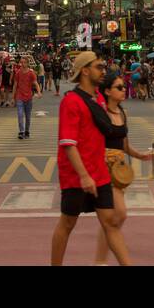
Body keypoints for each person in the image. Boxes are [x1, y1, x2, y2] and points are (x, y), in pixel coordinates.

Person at [51, 52, 130, 266]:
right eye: (98, 66)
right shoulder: (72, 102)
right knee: (67, 223)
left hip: (100, 173)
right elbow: (68, 144)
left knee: (110, 223)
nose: (103, 70)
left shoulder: (100, 98)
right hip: (76, 176)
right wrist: (84, 176)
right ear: (85, 70)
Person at [92, 69, 154, 266]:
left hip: (119, 170)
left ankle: (100, 261)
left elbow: (125, 144)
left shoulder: (122, 113)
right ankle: (108, 259)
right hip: (103, 168)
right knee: (119, 214)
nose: (124, 90)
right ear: (108, 91)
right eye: (119, 87)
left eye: (123, 87)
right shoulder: (100, 113)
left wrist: (142, 156)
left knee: (110, 220)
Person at [13, 56, 40, 140]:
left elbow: (35, 83)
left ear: (28, 63)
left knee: (28, 116)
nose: (23, 64)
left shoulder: (31, 73)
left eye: (25, 62)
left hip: (28, 97)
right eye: (22, 62)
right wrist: (13, 97)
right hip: (19, 96)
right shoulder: (18, 73)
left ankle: (27, 131)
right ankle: (21, 131)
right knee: (20, 114)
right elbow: (15, 85)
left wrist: (39, 92)